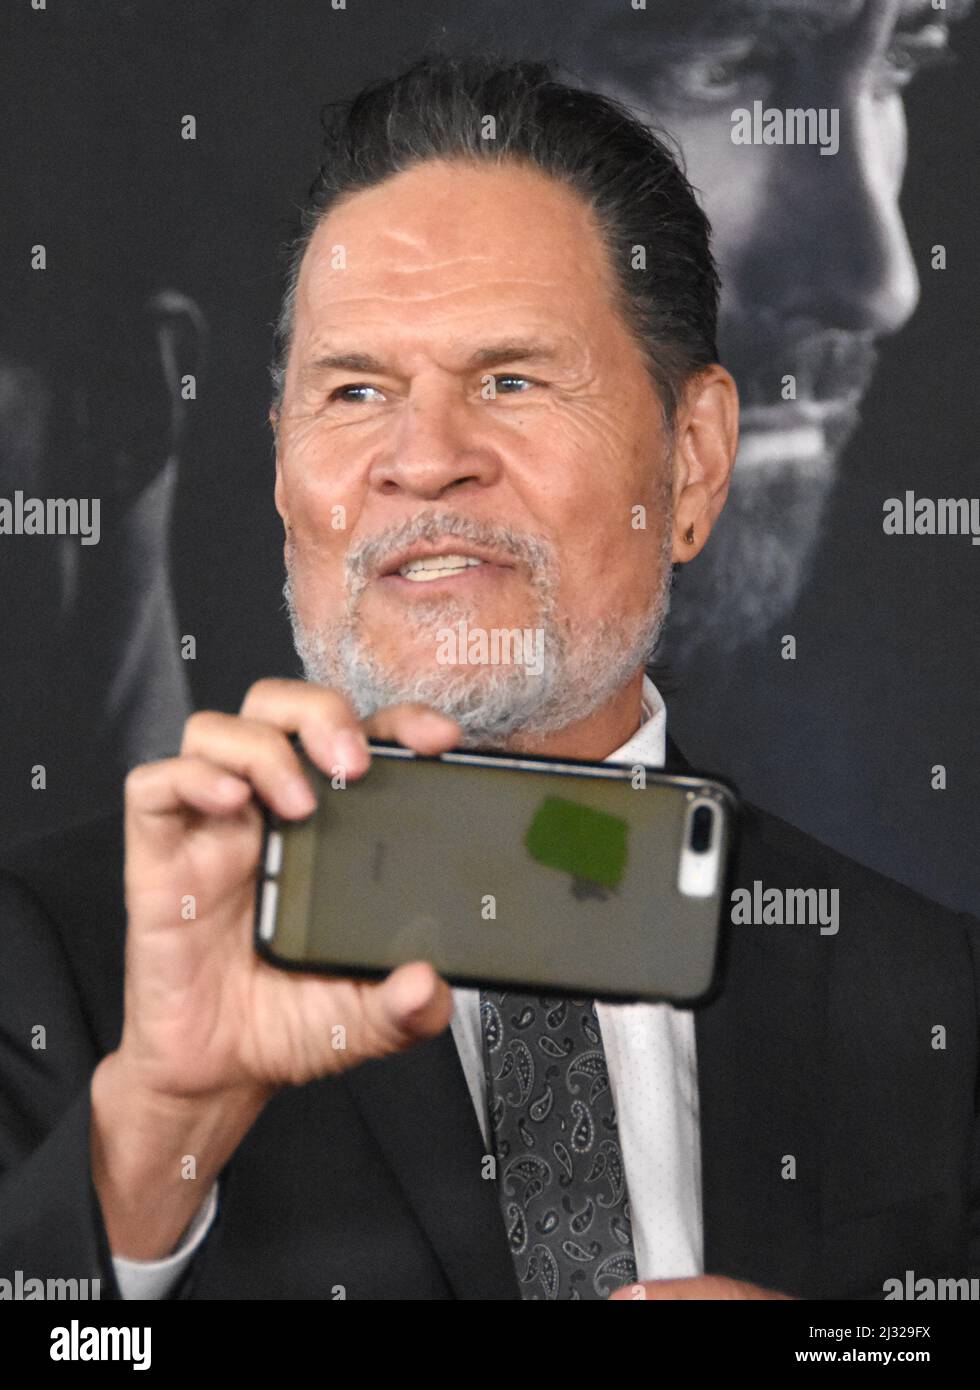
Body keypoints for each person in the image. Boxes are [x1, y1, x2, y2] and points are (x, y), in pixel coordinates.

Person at [1, 53, 977, 1302]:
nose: (422, 460)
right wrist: (148, 1150)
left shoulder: (927, 992)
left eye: (510, 380)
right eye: (354, 390)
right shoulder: (50, 963)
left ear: (690, 461)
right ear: (283, 473)